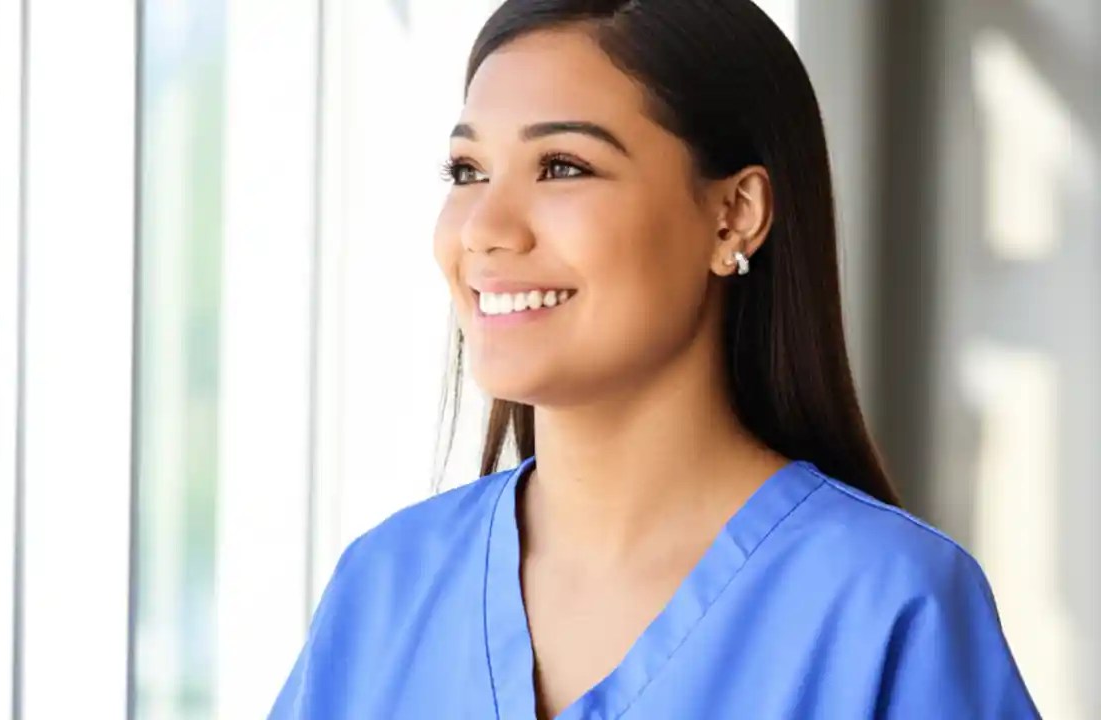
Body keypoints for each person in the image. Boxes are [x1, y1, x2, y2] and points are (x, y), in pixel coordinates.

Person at [270, 0, 1039, 717]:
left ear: (734, 214)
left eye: (563, 166)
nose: (486, 229)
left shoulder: (888, 607)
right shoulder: (383, 588)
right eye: (468, 172)